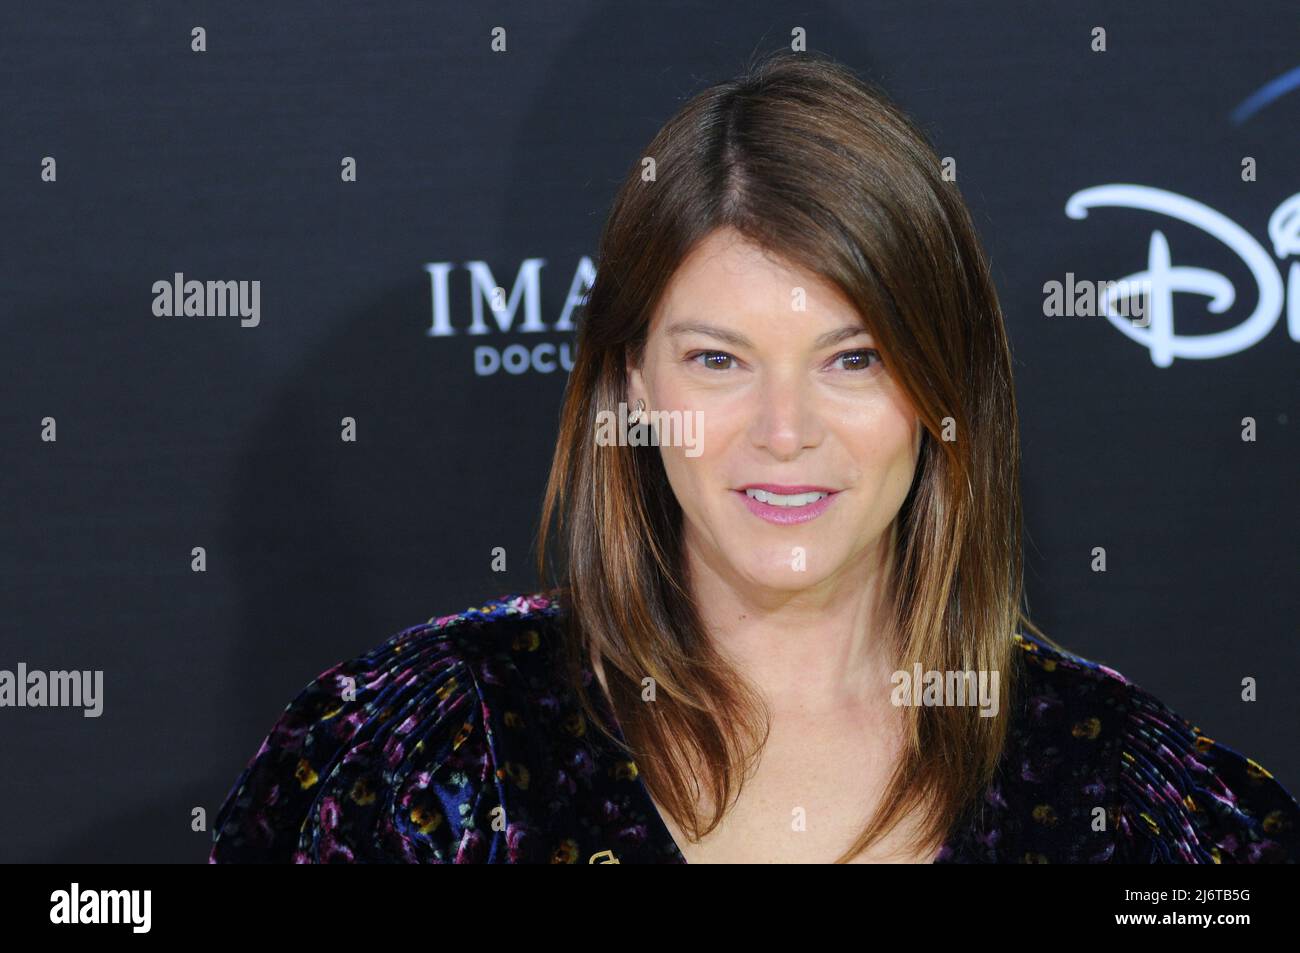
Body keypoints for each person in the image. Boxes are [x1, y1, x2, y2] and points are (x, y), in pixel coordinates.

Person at [209, 50, 1299, 864]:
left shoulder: (1131, 796)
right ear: (632, 383)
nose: (785, 429)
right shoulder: (418, 756)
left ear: (940, 391)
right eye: (720, 359)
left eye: (853, 358)